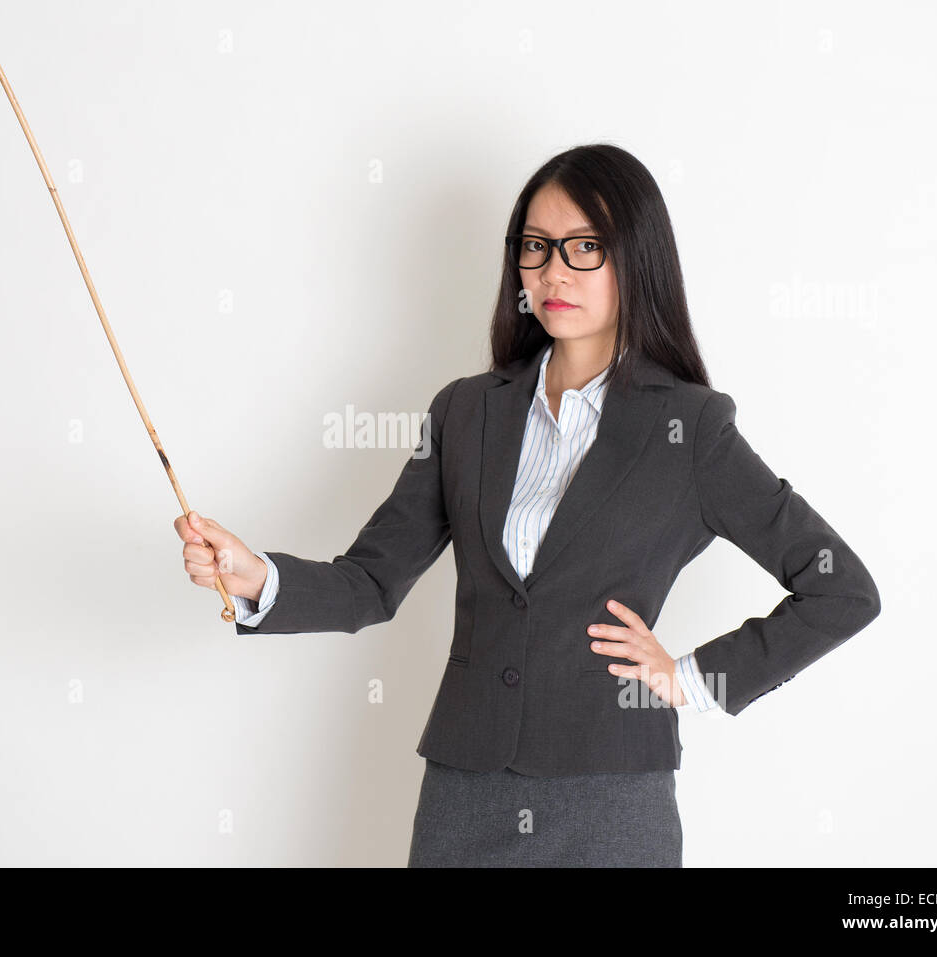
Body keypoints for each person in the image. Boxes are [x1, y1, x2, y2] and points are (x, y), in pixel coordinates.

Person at [172, 144, 882, 867]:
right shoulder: (465, 411)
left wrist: (692, 678)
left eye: (585, 248)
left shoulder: (690, 429)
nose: (553, 272)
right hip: (465, 793)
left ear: (637, 257)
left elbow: (842, 589)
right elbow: (371, 582)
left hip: (613, 803)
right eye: (537, 247)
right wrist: (255, 574)